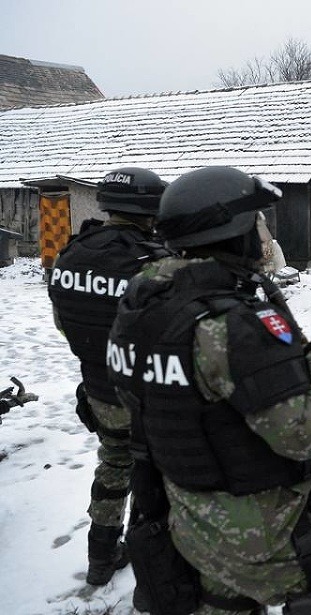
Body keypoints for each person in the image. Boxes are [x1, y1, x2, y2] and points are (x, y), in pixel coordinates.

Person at [107, 166, 311, 614]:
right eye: (257, 223)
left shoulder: (144, 302)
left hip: (189, 514)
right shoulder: (228, 324)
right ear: (231, 231)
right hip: (257, 528)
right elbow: (303, 433)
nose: (263, 234)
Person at [47, 166, 168, 585]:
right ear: (152, 208)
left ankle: (101, 557)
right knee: (161, 473)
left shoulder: (72, 252)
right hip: (151, 393)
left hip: (98, 386)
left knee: (114, 467)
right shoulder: (156, 261)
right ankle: (151, 556)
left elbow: (63, 323)